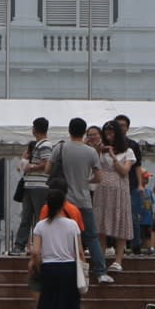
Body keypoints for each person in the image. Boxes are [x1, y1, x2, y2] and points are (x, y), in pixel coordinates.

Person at [27, 181, 84, 309]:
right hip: (69, 269)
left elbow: (36, 252)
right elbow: (80, 252)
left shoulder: (40, 226)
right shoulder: (72, 225)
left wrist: (36, 266)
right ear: (62, 204)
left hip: (49, 269)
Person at [54, 118, 111, 285]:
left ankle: (64, 270)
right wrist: (86, 181)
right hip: (84, 200)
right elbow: (99, 177)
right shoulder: (91, 152)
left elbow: (49, 170)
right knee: (92, 237)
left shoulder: (60, 147)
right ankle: (100, 272)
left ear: (69, 130)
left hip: (63, 201)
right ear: (84, 131)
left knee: (63, 236)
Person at [7, 117, 55, 257]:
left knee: (39, 217)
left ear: (35, 129)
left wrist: (31, 167)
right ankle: (20, 245)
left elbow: (46, 164)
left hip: (39, 186)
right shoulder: (39, 145)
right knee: (26, 217)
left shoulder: (45, 145)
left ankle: (40, 246)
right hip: (30, 185)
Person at [91, 124, 130, 271]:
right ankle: (100, 259)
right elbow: (94, 168)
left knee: (120, 224)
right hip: (102, 190)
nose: (109, 136)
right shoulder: (100, 152)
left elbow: (124, 171)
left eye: (112, 133)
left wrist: (113, 156)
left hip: (120, 191)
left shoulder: (128, 151)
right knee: (101, 225)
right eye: (106, 134)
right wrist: (97, 150)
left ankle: (118, 260)